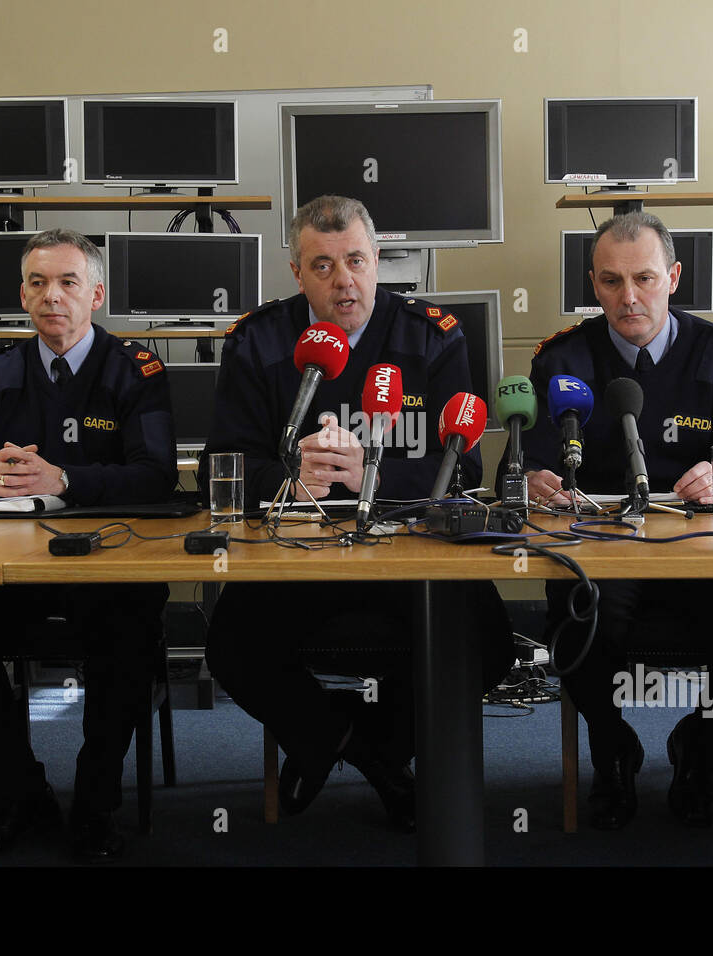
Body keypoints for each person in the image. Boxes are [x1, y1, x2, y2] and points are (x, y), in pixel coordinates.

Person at [202, 195, 514, 832]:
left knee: (491, 645)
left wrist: (368, 473)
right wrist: (293, 475)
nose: (343, 281)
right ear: (296, 273)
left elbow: (467, 468)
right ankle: (376, 761)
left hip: (409, 555)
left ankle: (344, 745)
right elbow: (222, 468)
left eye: (356, 261)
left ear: (378, 260)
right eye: (322, 266)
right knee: (230, 647)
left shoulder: (434, 337)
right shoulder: (257, 340)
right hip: (296, 557)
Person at [0, 228, 177, 863]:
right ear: (22, 294)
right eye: (37, 283)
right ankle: (15, 794)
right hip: (10, 568)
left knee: (129, 633)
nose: (51, 296)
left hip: (106, 566)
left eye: (67, 282)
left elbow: (157, 474)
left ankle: (94, 806)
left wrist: (66, 479)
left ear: (96, 293)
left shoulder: (137, 370)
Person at [521, 211, 713, 829]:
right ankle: (612, 749)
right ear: (594, 284)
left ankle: (701, 747)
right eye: (611, 282)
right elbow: (529, 463)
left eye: (643, 278)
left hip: (700, 547)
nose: (629, 297)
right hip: (599, 548)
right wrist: (536, 481)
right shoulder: (560, 359)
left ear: (672, 276)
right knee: (580, 631)